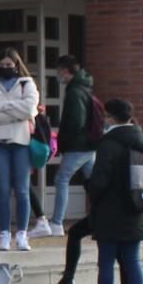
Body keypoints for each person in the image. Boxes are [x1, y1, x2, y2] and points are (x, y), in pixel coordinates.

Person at [76, 99, 143, 284]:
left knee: (106, 262)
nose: (104, 120)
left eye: (106, 116)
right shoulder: (141, 141)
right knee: (133, 262)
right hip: (136, 212)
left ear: (112, 118)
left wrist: (89, 188)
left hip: (110, 213)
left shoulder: (109, 144)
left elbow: (100, 181)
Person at [0, 47, 40, 252]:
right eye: (2, 65)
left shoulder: (27, 83)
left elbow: (30, 109)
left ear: (17, 65)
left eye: (10, 65)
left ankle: (22, 234)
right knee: (2, 189)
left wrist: (3, 105)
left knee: (22, 190)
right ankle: (4, 234)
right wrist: (16, 111)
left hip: (21, 142)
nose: (6, 68)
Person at [32, 54, 95, 238]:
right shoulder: (85, 87)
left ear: (65, 72)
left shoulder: (75, 91)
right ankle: (102, 217)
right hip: (89, 145)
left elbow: (75, 121)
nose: (58, 76)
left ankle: (57, 222)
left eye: (59, 72)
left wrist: (63, 141)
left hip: (78, 146)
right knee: (94, 184)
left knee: (61, 179)